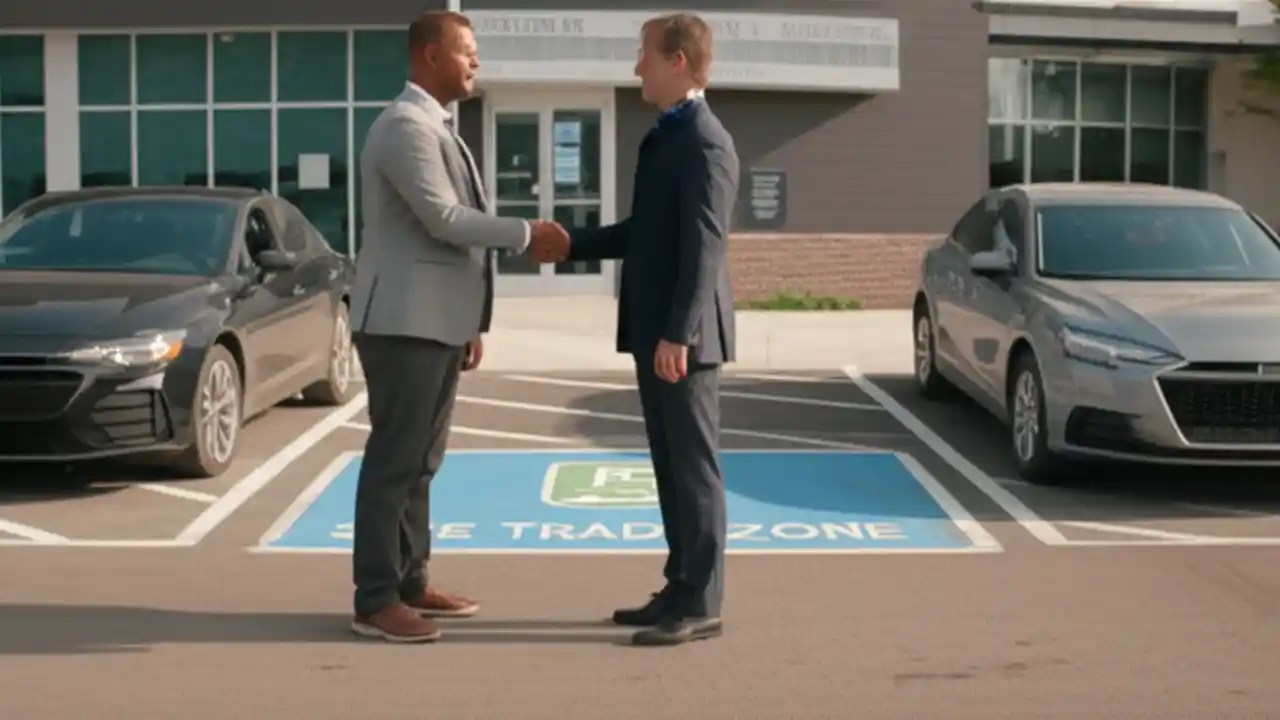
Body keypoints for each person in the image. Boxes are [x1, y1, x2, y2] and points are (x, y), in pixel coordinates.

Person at [348, 9, 569, 643]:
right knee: (394, 462)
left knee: (422, 462)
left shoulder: (440, 126)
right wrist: (529, 234)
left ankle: (412, 583)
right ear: (428, 56)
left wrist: (469, 321)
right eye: (466, 51)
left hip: (437, 323)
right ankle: (374, 599)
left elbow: (448, 232)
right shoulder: (404, 126)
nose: (476, 62)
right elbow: (445, 218)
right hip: (402, 323)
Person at [531, 12, 739, 646]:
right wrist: (574, 244)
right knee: (670, 468)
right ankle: (679, 586)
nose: (636, 66)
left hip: (683, 338)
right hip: (659, 334)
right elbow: (646, 232)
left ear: (678, 61)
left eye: (644, 54)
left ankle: (701, 602)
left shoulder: (704, 140)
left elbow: (705, 247)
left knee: (694, 471)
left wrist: (679, 333)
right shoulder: (670, 134)